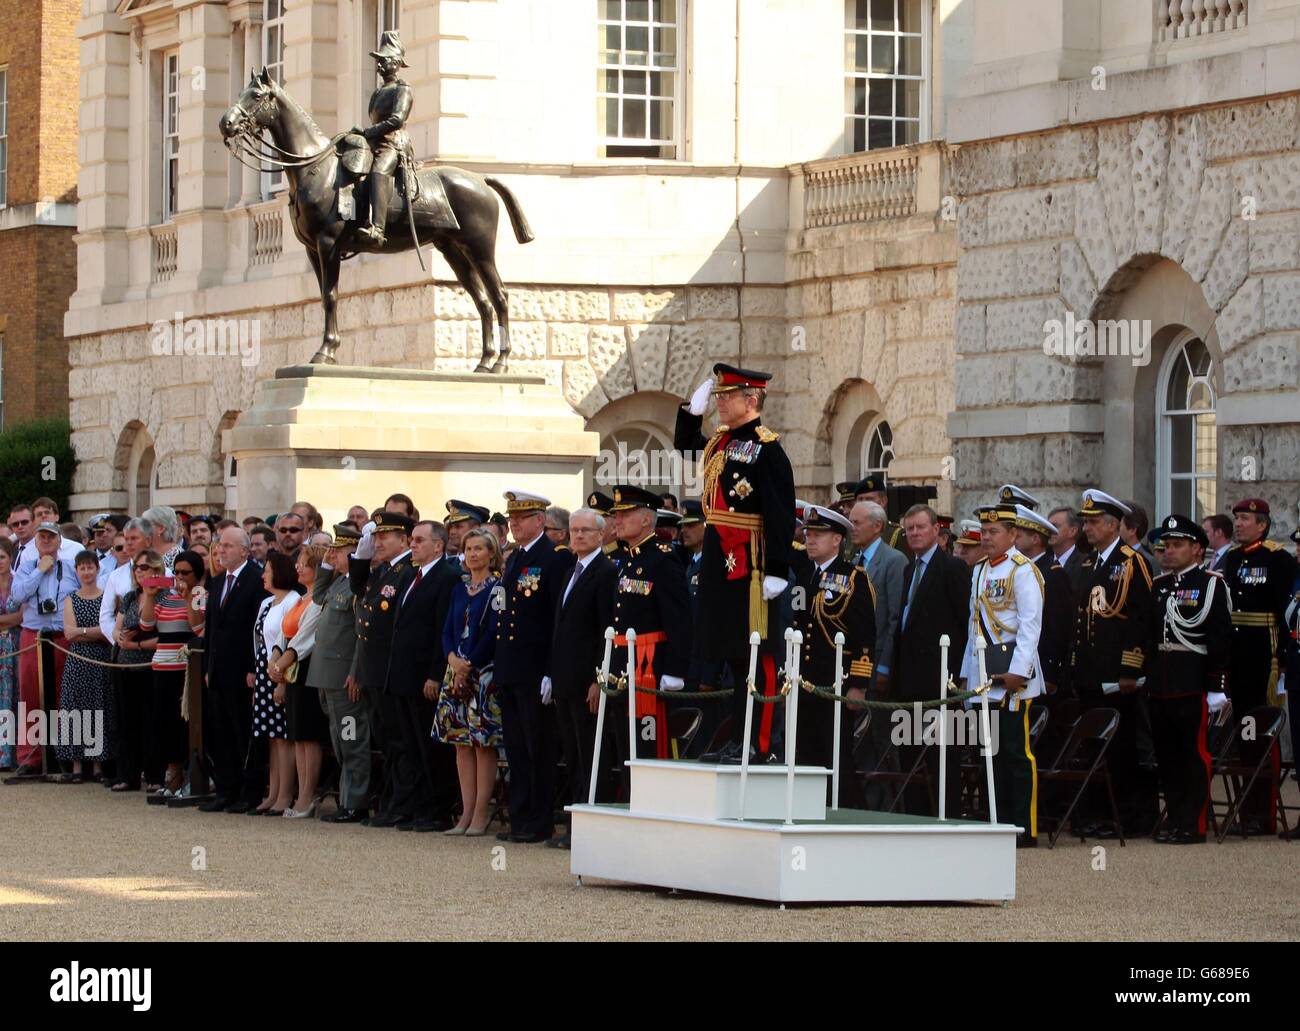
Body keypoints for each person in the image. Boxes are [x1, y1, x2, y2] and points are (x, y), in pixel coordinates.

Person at [675, 363, 795, 764]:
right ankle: (737, 739)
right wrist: (691, 412)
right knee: (730, 651)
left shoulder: (768, 449)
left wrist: (778, 567)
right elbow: (687, 446)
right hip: (718, 555)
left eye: (726, 397)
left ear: (751, 399)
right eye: (718, 396)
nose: (719, 404)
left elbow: (779, 513)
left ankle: (759, 744)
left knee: (757, 654)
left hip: (750, 559)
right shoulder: (721, 443)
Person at [1068, 489, 1156, 837]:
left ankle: (1129, 816)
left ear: (1113, 525)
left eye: (1093, 522)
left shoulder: (1131, 561)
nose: (1086, 528)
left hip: (1118, 673)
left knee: (1121, 748)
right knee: (1096, 746)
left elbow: (1141, 618)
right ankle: (1101, 813)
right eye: (1085, 521)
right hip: (1091, 670)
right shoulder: (1090, 563)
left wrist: (1131, 669)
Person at [958, 501, 1044, 847]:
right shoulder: (978, 570)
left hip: (1012, 678)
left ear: (1013, 534)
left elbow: (1030, 627)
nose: (988, 537)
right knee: (989, 755)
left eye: (995, 532)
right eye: (986, 532)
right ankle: (999, 821)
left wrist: (1017, 672)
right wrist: (967, 675)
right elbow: (973, 626)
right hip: (984, 676)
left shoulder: (1022, 571)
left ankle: (1024, 827)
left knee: (1016, 753)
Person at [1144, 515, 1231, 845]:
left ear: (1197, 549)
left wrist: (1216, 688)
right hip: (1162, 685)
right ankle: (1176, 818)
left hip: (1192, 683)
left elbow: (1220, 640)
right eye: (1167, 545)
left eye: (1178, 545)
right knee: (1167, 758)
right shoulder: (1160, 586)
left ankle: (1193, 824)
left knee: (1193, 757)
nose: (1169, 551)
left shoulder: (1211, 585)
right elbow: (1151, 636)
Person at [495, 489, 574, 844]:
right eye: (512, 517)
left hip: (535, 667)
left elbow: (556, 620)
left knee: (538, 747)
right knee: (516, 747)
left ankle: (540, 820)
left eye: (522, 518)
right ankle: (521, 817)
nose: (514, 523)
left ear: (540, 521)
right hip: (511, 666)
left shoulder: (555, 557)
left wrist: (549, 670)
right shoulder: (515, 559)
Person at [1219, 497, 1296, 835]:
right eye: (1236, 518)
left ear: (1263, 524)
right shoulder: (1232, 558)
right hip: (1237, 657)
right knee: (1241, 735)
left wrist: (1281, 659)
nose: (1238, 524)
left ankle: (1262, 813)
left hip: (1263, 655)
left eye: (1245, 518)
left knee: (1260, 732)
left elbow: (1286, 613)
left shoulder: (1277, 558)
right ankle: (1246, 809)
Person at [890, 504, 970, 816]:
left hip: (940, 678)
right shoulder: (909, 569)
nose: (914, 534)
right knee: (910, 753)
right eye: (909, 529)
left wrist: (959, 674)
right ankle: (916, 816)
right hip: (910, 679)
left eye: (921, 527)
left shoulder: (952, 568)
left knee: (942, 757)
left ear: (937, 530)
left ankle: (947, 816)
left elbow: (964, 622)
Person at [792, 506, 875, 807]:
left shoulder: (853, 578)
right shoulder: (803, 576)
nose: (809, 539)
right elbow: (798, 625)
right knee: (804, 751)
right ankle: (811, 809)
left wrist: (859, 683)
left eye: (818, 535)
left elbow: (865, 637)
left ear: (837, 540)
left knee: (836, 754)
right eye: (808, 533)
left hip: (835, 681)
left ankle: (849, 811)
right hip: (804, 680)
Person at [546, 507, 618, 847]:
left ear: (601, 534)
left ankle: (591, 830)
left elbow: (607, 630)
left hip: (587, 680)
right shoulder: (571, 570)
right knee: (572, 756)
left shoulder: (605, 572)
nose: (578, 536)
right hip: (564, 679)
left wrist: (598, 678)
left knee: (592, 756)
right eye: (574, 530)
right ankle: (574, 827)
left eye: (585, 531)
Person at [383, 520, 460, 832]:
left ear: (438, 546)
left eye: (418, 540)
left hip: (425, 678)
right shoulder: (410, 576)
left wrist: (435, 674)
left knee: (432, 748)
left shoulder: (447, 576)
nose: (412, 545)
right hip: (402, 674)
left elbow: (443, 628)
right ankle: (414, 806)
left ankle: (438, 808)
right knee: (410, 745)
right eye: (411, 540)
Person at [433, 527, 503, 836]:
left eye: (479, 548)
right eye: (468, 548)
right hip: (455, 669)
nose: (473, 554)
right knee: (461, 743)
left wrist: (469, 663)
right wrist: (451, 658)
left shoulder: (498, 588)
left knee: (481, 744)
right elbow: (447, 628)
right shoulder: (459, 588)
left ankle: (479, 814)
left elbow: (493, 633)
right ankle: (464, 813)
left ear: (491, 553)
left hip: (482, 674)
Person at [348, 511, 416, 827]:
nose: (378, 542)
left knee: (400, 741)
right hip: (373, 668)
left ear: (403, 539)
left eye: (384, 537)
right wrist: (361, 554)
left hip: (392, 668)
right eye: (376, 537)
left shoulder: (406, 571)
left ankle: (401, 804)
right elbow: (357, 586)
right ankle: (389, 801)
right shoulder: (383, 571)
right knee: (385, 739)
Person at [198, 527, 269, 813]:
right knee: (222, 732)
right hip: (218, 671)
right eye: (219, 546)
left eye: (228, 546)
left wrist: (254, 668)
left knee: (244, 733)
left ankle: (249, 791)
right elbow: (211, 628)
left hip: (243, 672)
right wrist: (207, 667)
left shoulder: (256, 580)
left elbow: (258, 627)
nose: (221, 551)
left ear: (244, 550)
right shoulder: (216, 583)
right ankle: (226, 789)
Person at [310, 524, 369, 823]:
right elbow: (318, 595)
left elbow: (361, 634)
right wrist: (326, 563)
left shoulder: (358, 584)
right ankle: (348, 799)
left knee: (351, 739)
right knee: (339, 738)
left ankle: (354, 802)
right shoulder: (338, 581)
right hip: (327, 675)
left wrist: (356, 672)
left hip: (344, 676)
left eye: (339, 550)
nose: (332, 554)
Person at [11, 521, 80, 776]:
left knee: (65, 695)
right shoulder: (27, 566)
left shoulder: (70, 566)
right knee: (30, 695)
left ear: (59, 541)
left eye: (51, 537)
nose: (47, 541)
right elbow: (17, 596)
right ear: (36, 541)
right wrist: (39, 571)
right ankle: (30, 756)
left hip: (62, 635)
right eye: (42, 537)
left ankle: (64, 754)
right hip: (34, 634)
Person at [267, 546, 329, 819]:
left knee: (308, 735)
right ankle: (301, 793)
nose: (299, 568)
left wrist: (280, 664)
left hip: (307, 669)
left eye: (305, 564)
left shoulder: (318, 600)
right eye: (299, 564)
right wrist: (275, 659)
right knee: (297, 737)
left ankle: (307, 796)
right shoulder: (301, 599)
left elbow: (305, 639)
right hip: (290, 668)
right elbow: (284, 634)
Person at [138, 550, 203, 800]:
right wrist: (150, 596)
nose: (179, 577)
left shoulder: (199, 594)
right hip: (161, 667)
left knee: (183, 725)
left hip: (185, 670)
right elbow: (145, 626)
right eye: (175, 572)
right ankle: (172, 775)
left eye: (185, 573)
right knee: (164, 724)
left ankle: (188, 777)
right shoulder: (165, 597)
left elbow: (198, 627)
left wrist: (187, 598)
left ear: (196, 574)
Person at [53, 551, 117, 783]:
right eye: (82, 568)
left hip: (101, 659)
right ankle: (77, 765)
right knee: (76, 709)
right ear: (77, 571)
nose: (87, 572)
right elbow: (69, 633)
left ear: (97, 569)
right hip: (78, 660)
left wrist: (85, 632)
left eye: (90, 567)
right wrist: (93, 632)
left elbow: (108, 631)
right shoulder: (71, 598)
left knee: (98, 707)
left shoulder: (106, 596)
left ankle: (98, 764)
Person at [250, 552, 302, 815]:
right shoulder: (267, 602)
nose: (263, 575)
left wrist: (281, 681)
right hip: (264, 669)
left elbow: (287, 640)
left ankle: (285, 795)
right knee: (271, 737)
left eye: (267, 570)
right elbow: (258, 640)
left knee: (283, 737)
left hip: (281, 672)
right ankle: (272, 792)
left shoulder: (292, 600)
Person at [109, 550, 159, 792]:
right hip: (124, 665)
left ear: (156, 570)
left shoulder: (165, 597)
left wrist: (136, 643)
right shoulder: (129, 597)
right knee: (125, 721)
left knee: (150, 721)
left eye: (145, 567)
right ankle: (126, 774)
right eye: (137, 567)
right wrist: (121, 637)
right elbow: (116, 627)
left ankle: (153, 775)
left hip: (149, 666)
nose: (140, 571)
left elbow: (166, 637)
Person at [1013, 505, 1074, 694]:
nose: (1013, 539)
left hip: (1041, 669)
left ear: (1035, 538)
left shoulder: (1052, 573)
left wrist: (1050, 673)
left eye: (1018, 535)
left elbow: (1057, 628)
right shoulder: (1019, 569)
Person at [0, 539, 22, 770]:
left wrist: (10, 621)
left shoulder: (19, 583)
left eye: (2, 557)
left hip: (18, 645)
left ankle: (14, 755)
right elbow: (14, 617)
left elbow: (22, 617)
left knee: (16, 695)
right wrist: (11, 620)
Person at [853, 474, 910, 558]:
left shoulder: (897, 535)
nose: (864, 504)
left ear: (883, 501)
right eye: (860, 499)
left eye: (869, 499)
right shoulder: (850, 534)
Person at [1048, 506, 1087, 596]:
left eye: (1054, 526)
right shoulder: (1044, 561)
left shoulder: (1084, 565)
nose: (1049, 530)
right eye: (1048, 525)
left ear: (1072, 531)